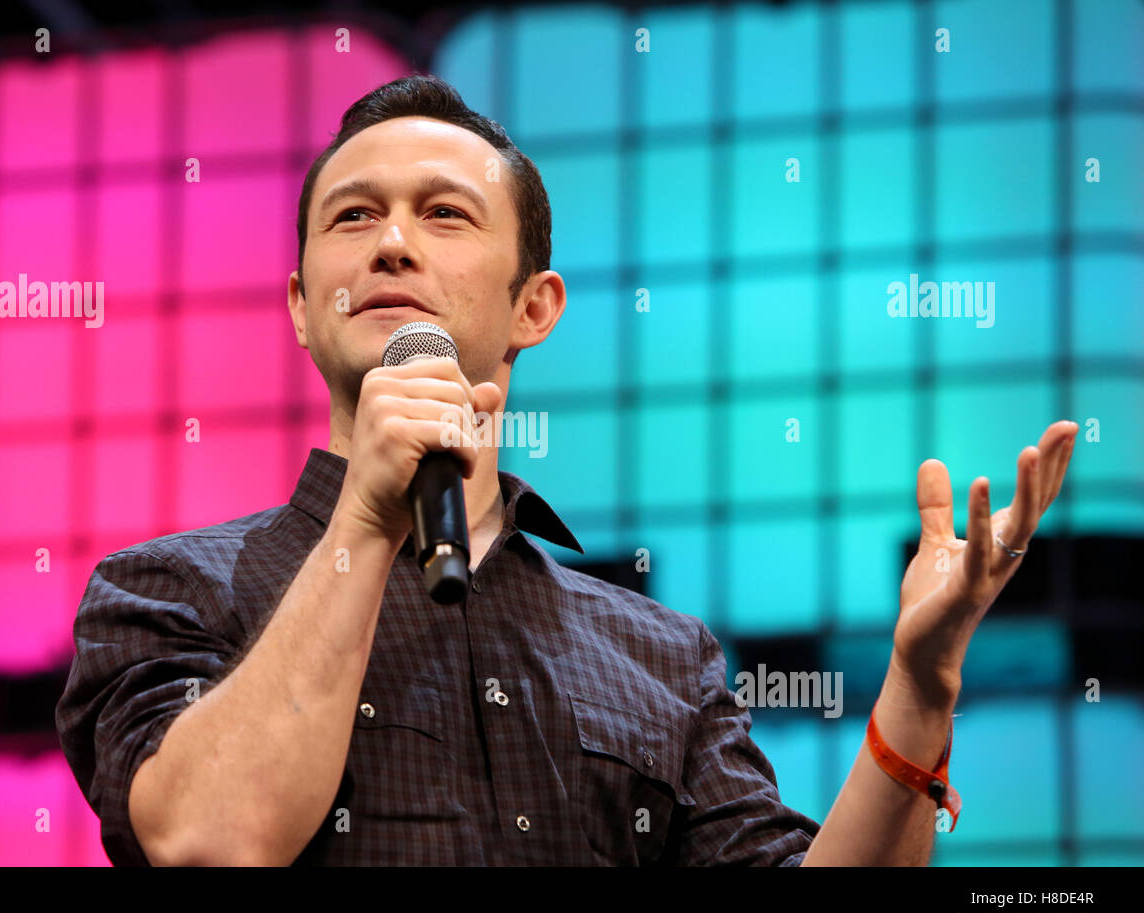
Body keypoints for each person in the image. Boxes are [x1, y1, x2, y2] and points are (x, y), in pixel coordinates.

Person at [55, 73, 1077, 867]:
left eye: (444, 214)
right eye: (353, 217)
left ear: (534, 308)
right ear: (297, 302)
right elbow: (208, 841)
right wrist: (367, 519)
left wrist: (920, 682)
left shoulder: (662, 656)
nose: (394, 242)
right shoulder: (167, 591)